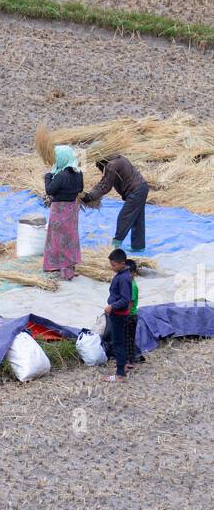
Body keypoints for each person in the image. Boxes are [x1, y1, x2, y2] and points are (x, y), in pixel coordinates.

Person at [82, 153, 149, 254]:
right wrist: (92, 192)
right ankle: (138, 247)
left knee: (124, 217)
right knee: (137, 220)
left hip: (136, 191)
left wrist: (90, 197)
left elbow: (105, 186)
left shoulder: (112, 164)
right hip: (141, 188)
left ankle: (115, 246)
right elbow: (104, 181)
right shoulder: (117, 159)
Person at [43, 145, 83, 280]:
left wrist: (48, 176)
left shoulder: (61, 176)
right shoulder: (78, 173)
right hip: (72, 210)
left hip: (59, 210)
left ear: (62, 159)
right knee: (70, 238)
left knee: (57, 239)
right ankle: (69, 266)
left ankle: (61, 268)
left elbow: (49, 190)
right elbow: (81, 188)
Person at [104, 248, 133, 381]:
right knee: (120, 340)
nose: (112, 268)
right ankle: (123, 364)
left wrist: (112, 306)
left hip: (118, 314)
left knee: (117, 342)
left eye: (114, 265)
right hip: (118, 313)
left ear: (122, 263)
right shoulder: (123, 275)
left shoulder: (123, 278)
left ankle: (120, 373)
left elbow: (125, 299)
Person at [125, 258, 145, 366]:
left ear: (133, 273)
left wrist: (124, 316)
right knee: (129, 338)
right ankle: (133, 358)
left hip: (130, 316)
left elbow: (130, 304)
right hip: (130, 315)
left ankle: (129, 361)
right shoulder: (128, 284)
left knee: (128, 340)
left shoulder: (132, 287)